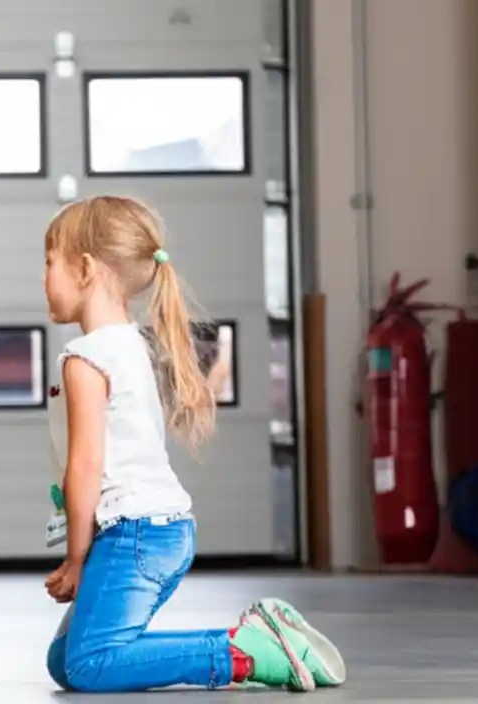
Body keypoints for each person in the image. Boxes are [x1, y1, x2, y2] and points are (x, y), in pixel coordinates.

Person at [39, 195, 346, 693]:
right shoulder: (132, 344)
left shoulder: (85, 357)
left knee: (91, 663)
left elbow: (86, 464)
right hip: (160, 531)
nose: (43, 277)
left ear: (86, 268)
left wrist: (76, 557)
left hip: (134, 534)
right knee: (66, 662)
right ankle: (256, 639)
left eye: (49, 263)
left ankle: (245, 652)